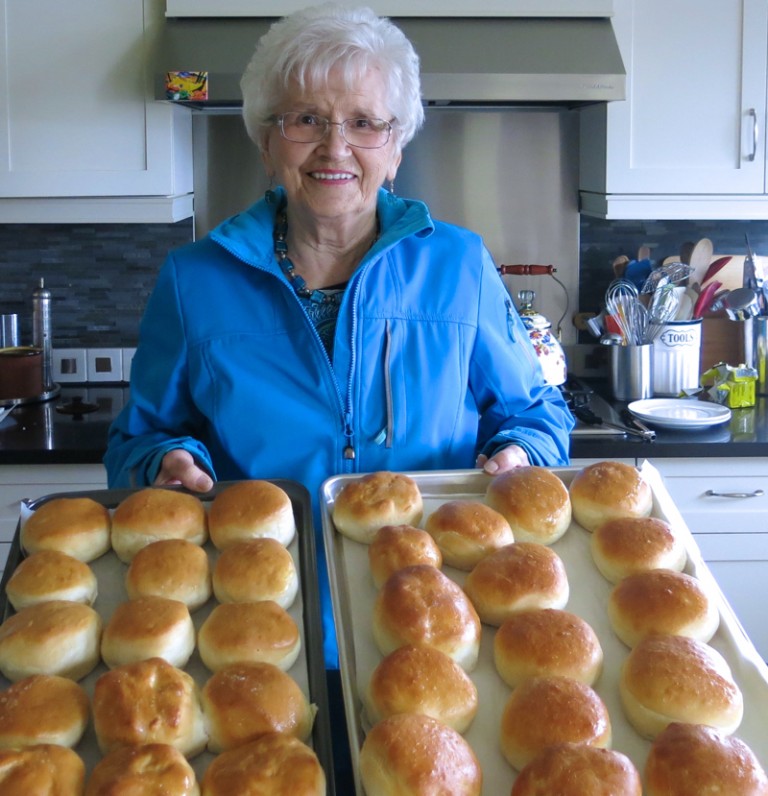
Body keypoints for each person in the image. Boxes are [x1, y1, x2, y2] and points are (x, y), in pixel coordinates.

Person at [104, 2, 572, 662]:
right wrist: (166, 464)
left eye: (363, 122)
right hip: (263, 635)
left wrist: (518, 455)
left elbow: (536, 413)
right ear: (267, 141)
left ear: (397, 146)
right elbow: (137, 439)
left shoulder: (458, 265)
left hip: (439, 625)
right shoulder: (194, 281)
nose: (335, 147)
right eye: (306, 120)